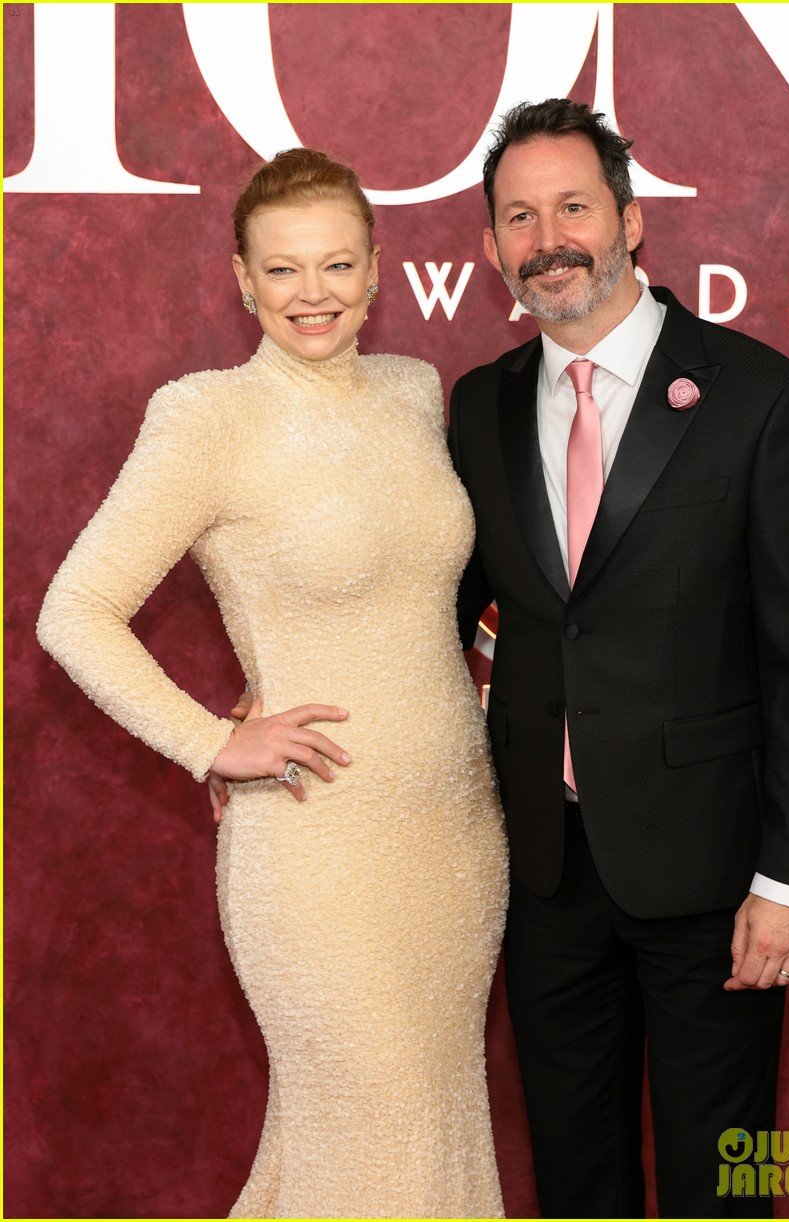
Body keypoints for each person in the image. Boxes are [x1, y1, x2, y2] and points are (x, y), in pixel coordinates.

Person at [36, 148, 508, 1220]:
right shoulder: (206, 417)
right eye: (283, 271)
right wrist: (211, 739)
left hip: (457, 841)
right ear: (243, 280)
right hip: (315, 848)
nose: (313, 294)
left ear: (377, 269)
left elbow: (411, 592)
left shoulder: (409, 391)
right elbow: (75, 610)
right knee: (376, 1141)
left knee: (416, 1139)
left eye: (336, 265)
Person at [445, 100, 789, 1218]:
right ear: (489, 248)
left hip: (720, 880)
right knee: (573, 1181)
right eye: (517, 217)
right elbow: (444, 609)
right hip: (544, 874)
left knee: (727, 1179)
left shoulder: (762, 397)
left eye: (572, 205)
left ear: (629, 220)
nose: (548, 237)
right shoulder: (476, 408)